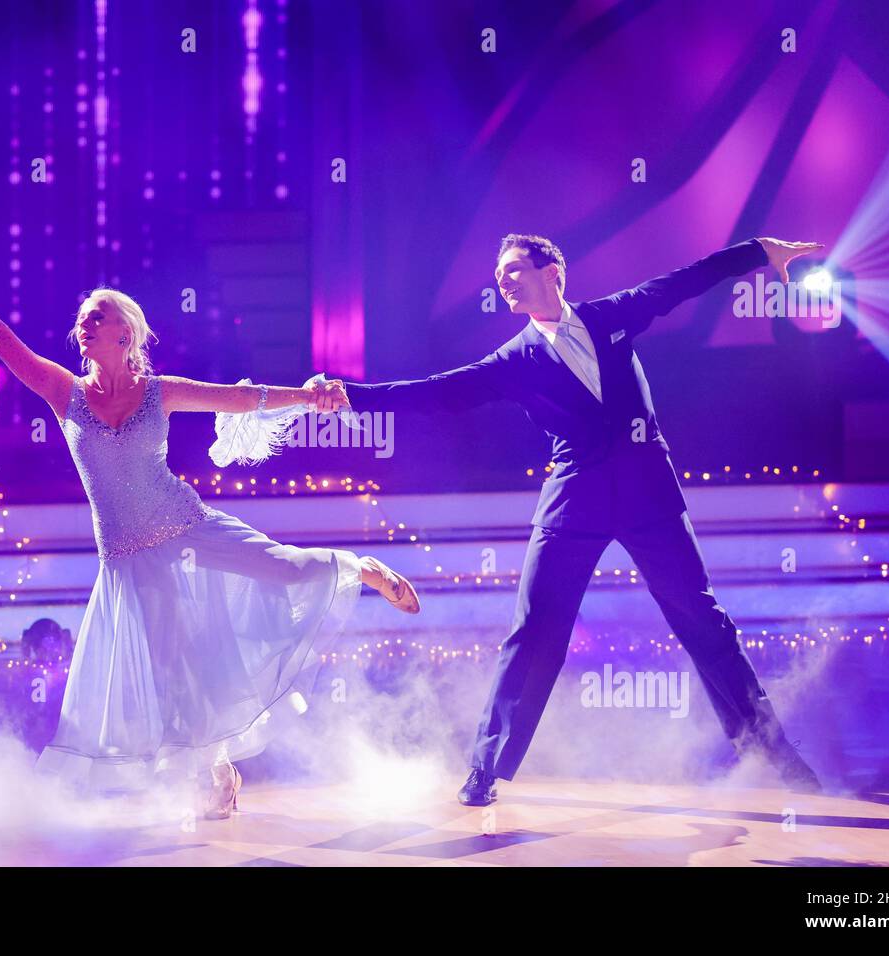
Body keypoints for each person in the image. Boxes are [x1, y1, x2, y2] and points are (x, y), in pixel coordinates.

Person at [317, 236, 826, 805]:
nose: (503, 281)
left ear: (552, 271)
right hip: (574, 498)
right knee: (535, 632)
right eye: (498, 275)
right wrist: (353, 398)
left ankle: (772, 753)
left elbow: (685, 280)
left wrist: (759, 251)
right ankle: (486, 767)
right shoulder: (514, 359)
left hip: (647, 494)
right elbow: (439, 392)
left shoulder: (613, 315)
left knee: (703, 622)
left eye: (513, 269)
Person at [0, 279, 420, 819]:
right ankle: (216, 772)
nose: (85, 325)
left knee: (282, 568)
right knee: (174, 676)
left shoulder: (157, 392)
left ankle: (362, 569)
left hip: (188, 524)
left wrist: (308, 397)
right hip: (127, 559)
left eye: (97, 317)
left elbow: (240, 399)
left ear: (126, 332)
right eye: (82, 320)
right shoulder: (62, 390)